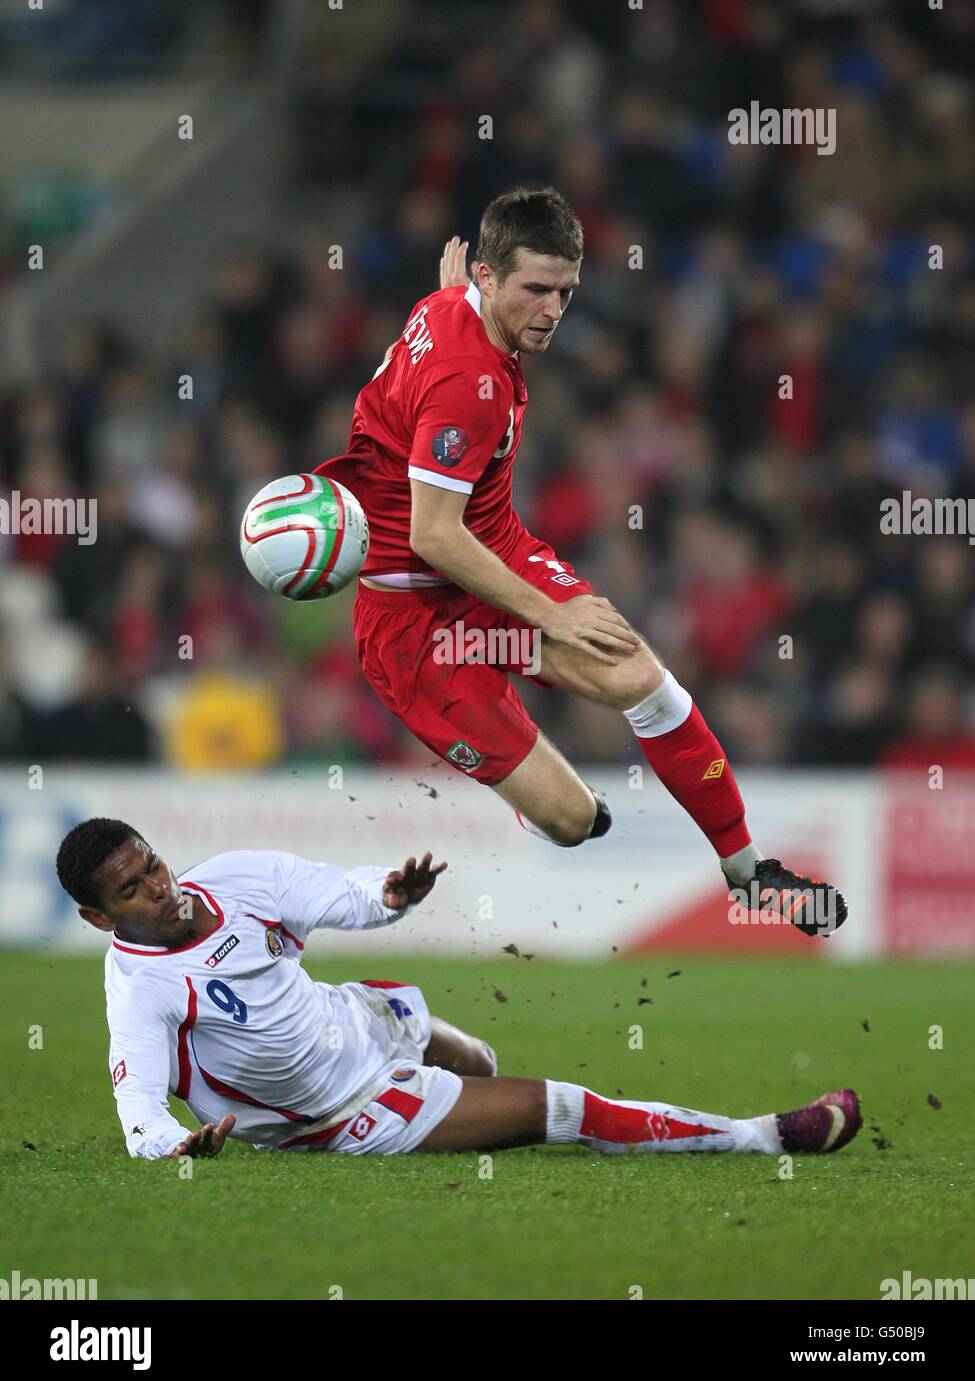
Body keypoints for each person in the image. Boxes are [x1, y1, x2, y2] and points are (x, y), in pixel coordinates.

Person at [314, 188, 846, 937]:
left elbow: (446, 348)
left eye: (565, 290)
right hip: (416, 622)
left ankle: (747, 873)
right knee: (572, 821)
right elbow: (433, 536)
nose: (552, 308)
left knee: (643, 681)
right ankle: (544, 798)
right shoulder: (469, 383)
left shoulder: (447, 309)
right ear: (490, 279)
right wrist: (552, 613)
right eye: (534, 289)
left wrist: (457, 300)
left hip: (492, 554)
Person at [55, 818, 861, 1160]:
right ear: (99, 917)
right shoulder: (139, 990)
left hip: (349, 1017)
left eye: (152, 864)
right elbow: (140, 1121)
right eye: (130, 891)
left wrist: (391, 895)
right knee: (563, 1110)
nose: (158, 888)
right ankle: (759, 1136)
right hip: (341, 1114)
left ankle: (460, 1092)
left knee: (475, 1056)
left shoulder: (236, 877)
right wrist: (178, 1145)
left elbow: (345, 891)